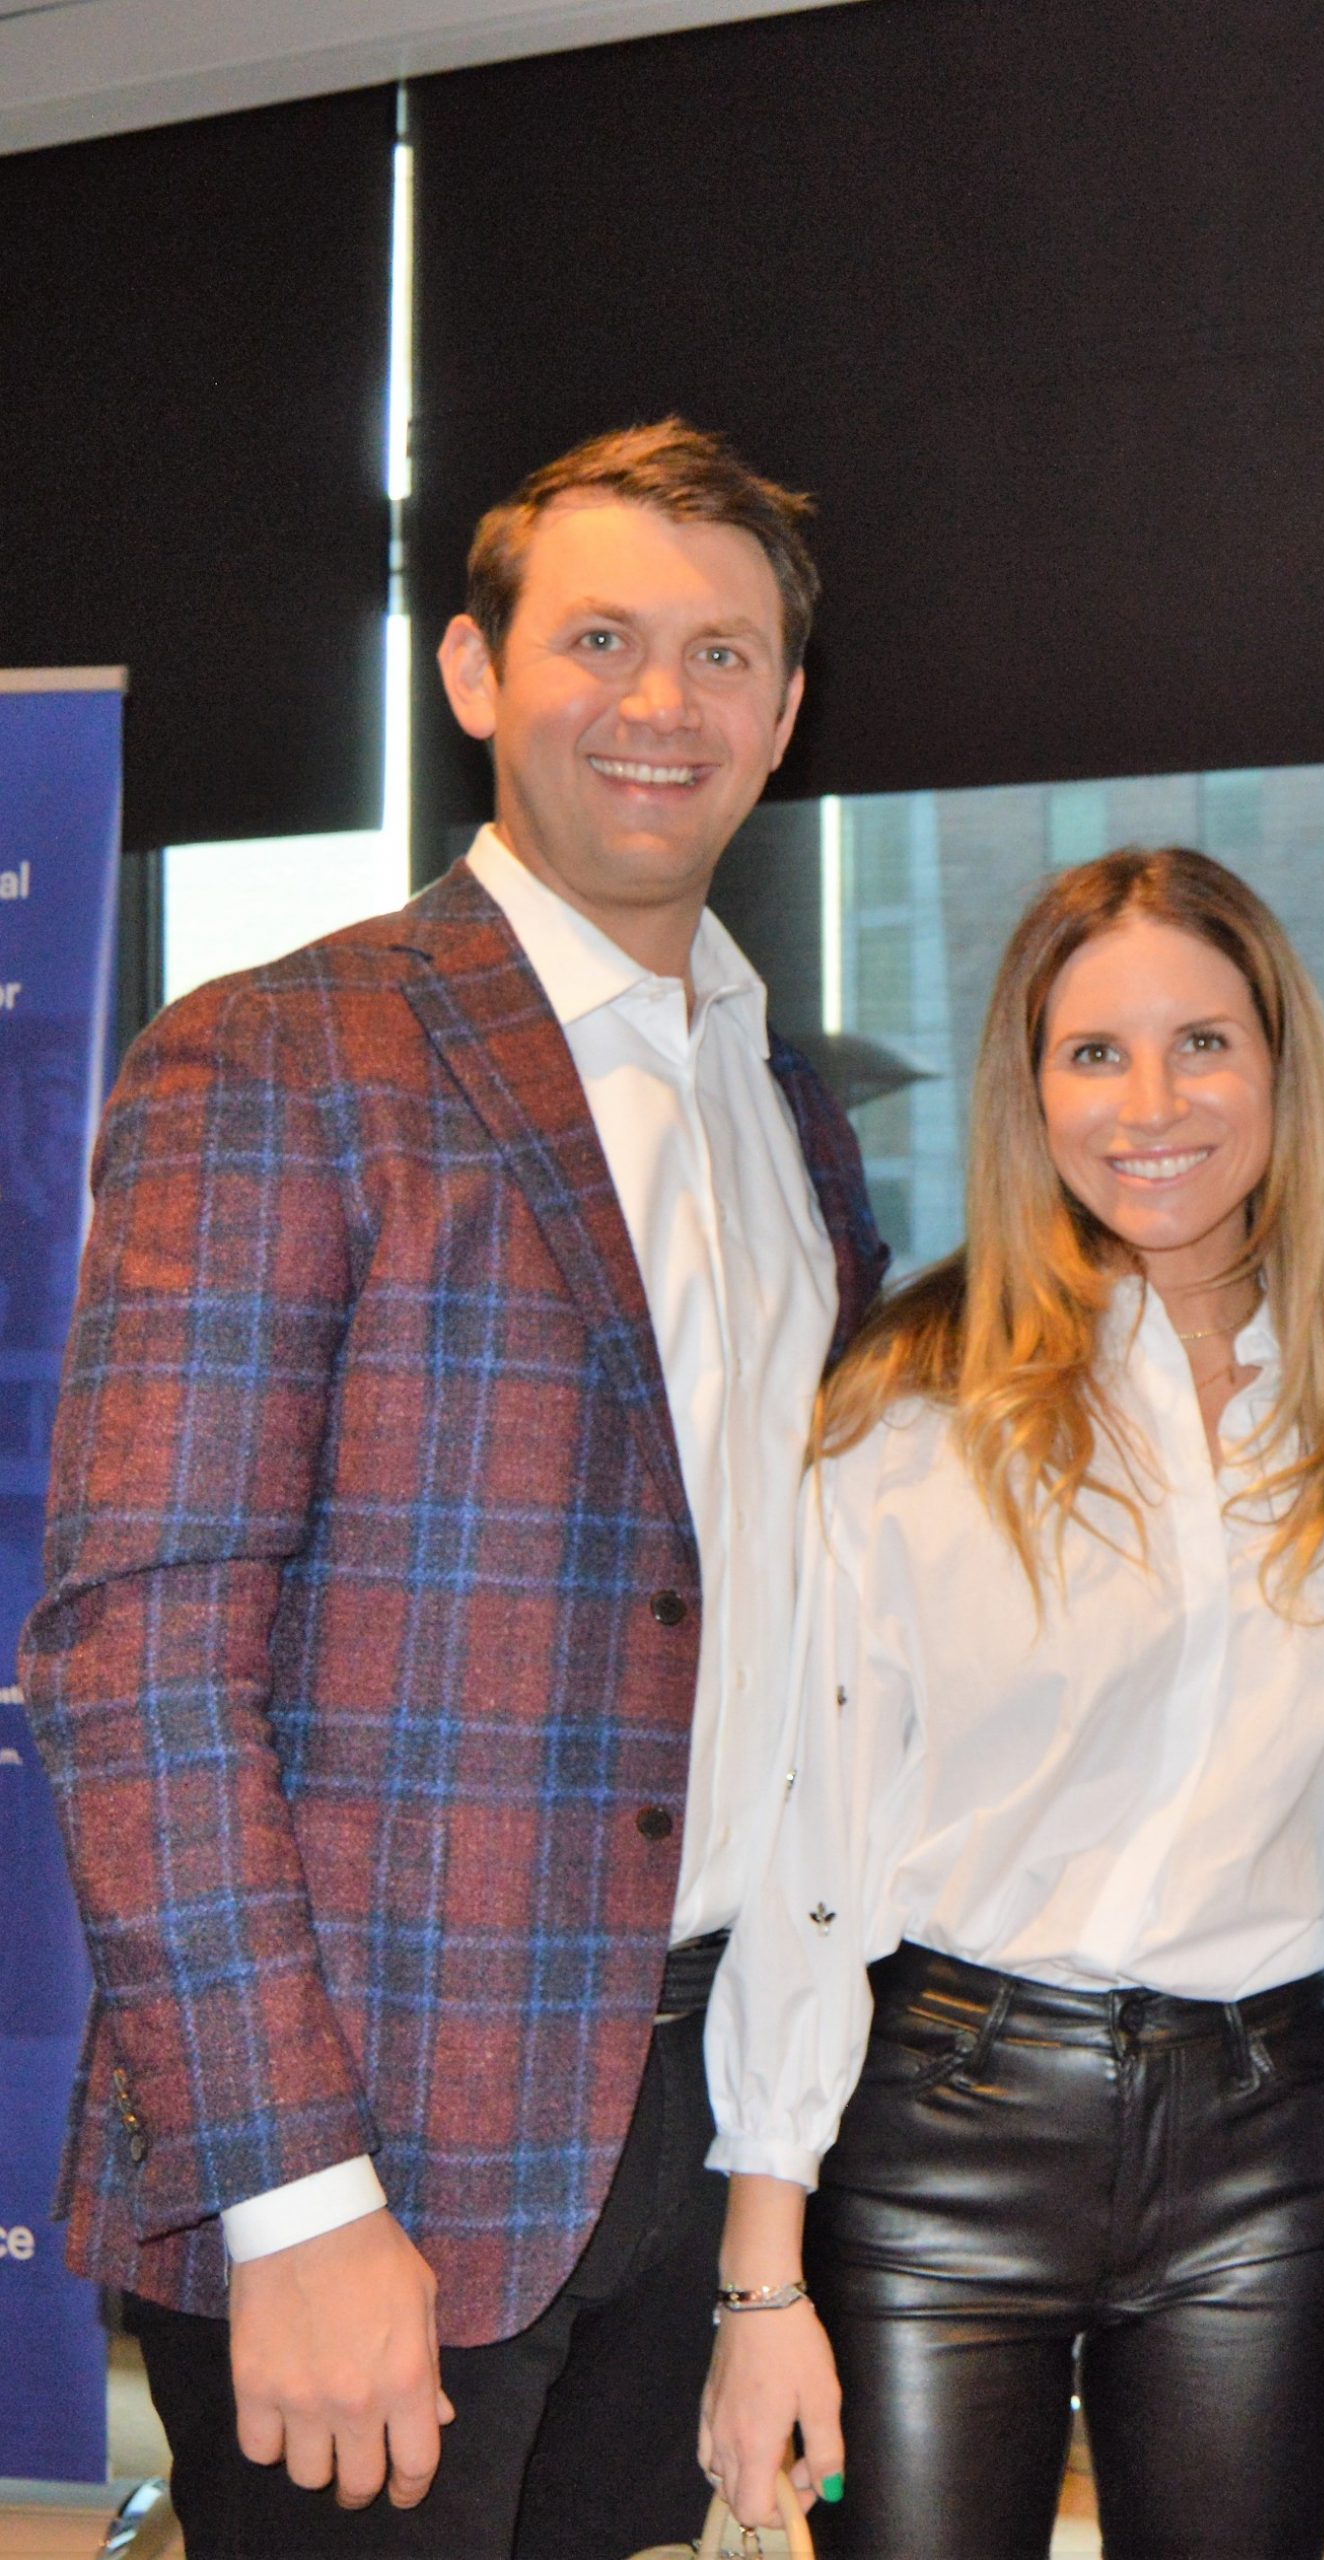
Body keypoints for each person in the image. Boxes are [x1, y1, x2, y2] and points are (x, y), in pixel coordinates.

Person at [22, 420, 885, 2559]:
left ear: (782, 710)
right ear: (477, 673)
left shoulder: (793, 1112)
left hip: (683, 2134)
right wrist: (295, 2197)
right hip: (365, 2158)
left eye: (717, 652)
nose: (658, 701)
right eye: (598, 637)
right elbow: (138, 1657)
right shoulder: (278, 1056)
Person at [697, 847, 1324, 2558]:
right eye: (1094, 1052)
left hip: (1270, 2145)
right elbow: (813, 1844)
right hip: (946, 2134)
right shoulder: (906, 1412)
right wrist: (757, 2285)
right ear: (1030, 1091)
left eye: (1204, 1044)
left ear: (1280, 1068)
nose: (1150, 1103)